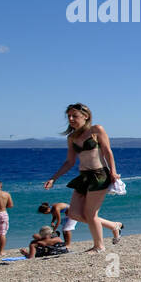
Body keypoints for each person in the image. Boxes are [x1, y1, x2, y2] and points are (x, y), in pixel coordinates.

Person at [42, 103, 122, 253]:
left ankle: (99, 246)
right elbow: (69, 162)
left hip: (99, 175)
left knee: (91, 215)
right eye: (69, 116)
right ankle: (113, 225)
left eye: (74, 116)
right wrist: (54, 178)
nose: (71, 119)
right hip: (83, 177)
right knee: (73, 213)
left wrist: (113, 172)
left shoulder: (96, 130)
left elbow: (107, 152)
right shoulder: (72, 137)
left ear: (86, 116)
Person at [39, 201, 118, 247]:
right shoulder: (52, 209)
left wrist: (54, 230)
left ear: (48, 209)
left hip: (74, 214)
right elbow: (55, 217)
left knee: (67, 229)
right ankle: (66, 243)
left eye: (45, 212)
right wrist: (53, 221)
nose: (46, 214)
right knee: (64, 229)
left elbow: (58, 220)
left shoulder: (55, 208)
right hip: (69, 215)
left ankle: (68, 244)